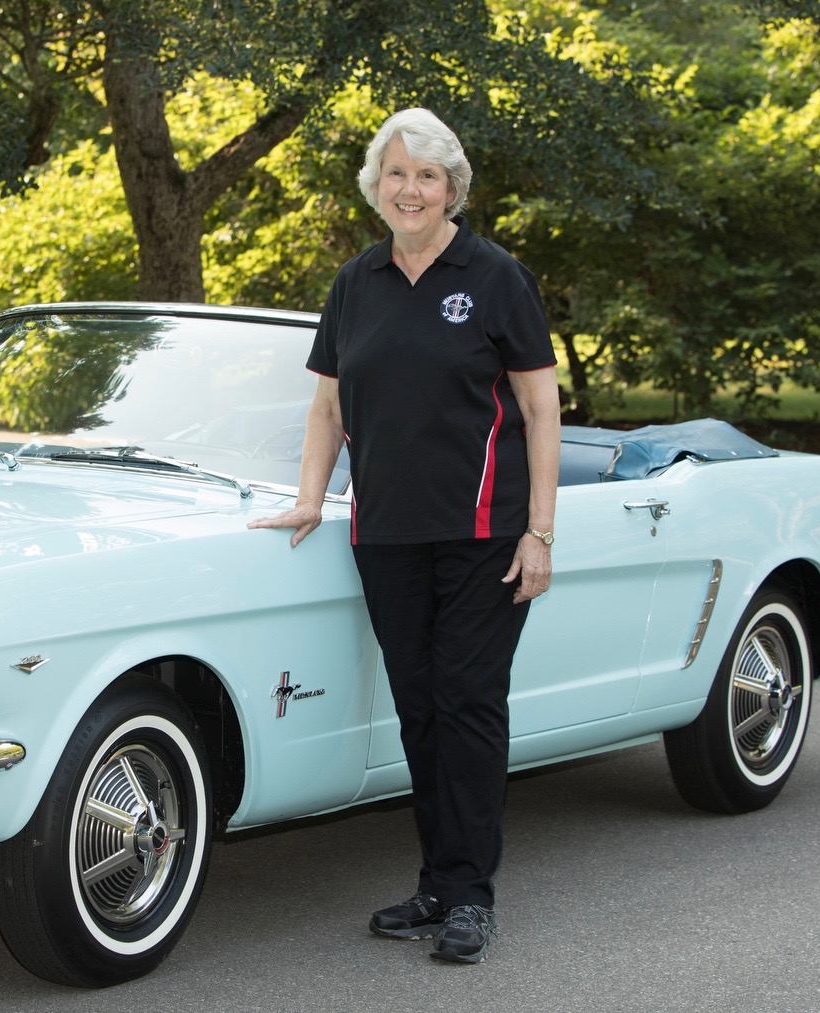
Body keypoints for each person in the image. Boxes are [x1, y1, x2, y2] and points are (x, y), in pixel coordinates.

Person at [248, 107, 560, 964]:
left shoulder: (496, 276)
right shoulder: (357, 282)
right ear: (376, 187)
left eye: (426, 175)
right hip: (385, 535)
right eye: (396, 174)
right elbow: (327, 405)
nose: (410, 189)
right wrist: (312, 499)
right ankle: (435, 882)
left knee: (466, 705)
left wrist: (540, 531)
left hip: (484, 534)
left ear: (451, 185)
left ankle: (471, 896)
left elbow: (539, 407)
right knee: (418, 707)